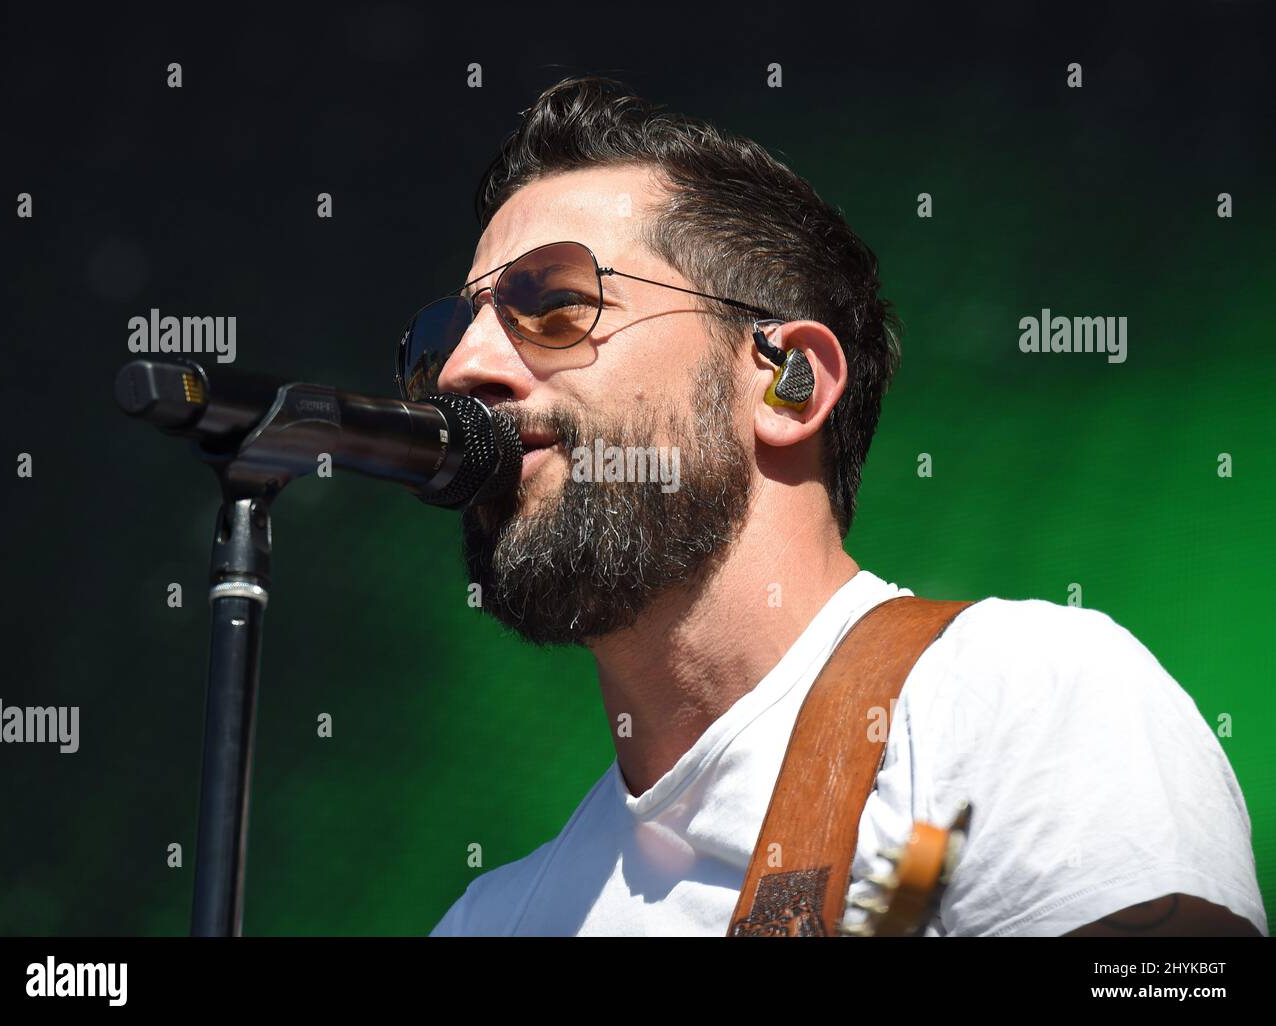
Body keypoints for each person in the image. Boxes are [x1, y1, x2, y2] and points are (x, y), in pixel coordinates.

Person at [413, 75, 1266, 936]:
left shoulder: (1018, 705)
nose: (460, 372)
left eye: (554, 304)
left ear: (789, 387)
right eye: (447, 335)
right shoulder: (489, 920)